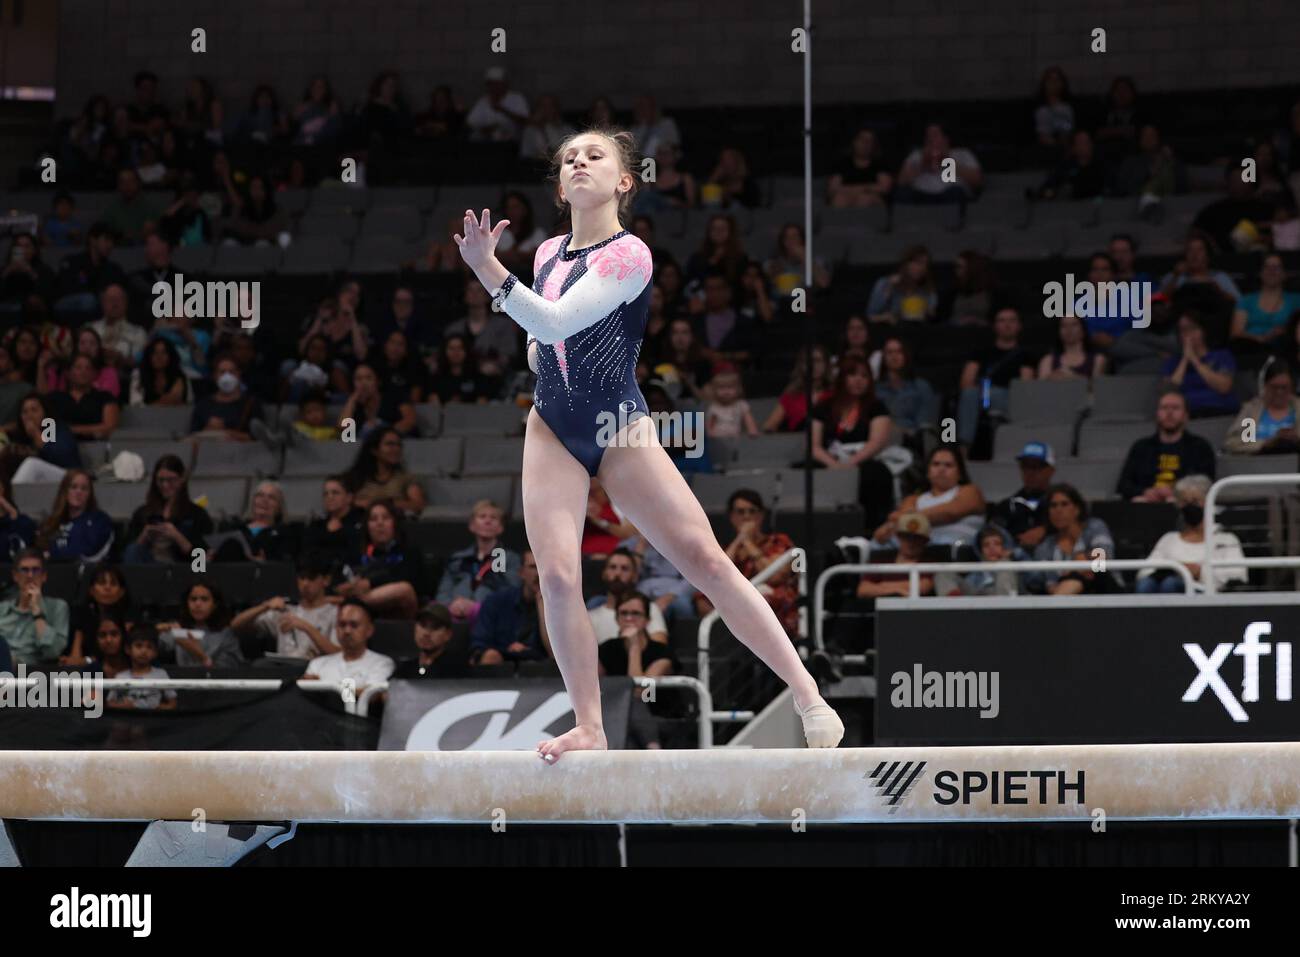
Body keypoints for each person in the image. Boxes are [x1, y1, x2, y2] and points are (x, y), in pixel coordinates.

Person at [455, 127, 843, 759]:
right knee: (555, 575)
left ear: (625, 180)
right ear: (560, 186)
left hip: (618, 425)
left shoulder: (631, 254)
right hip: (552, 422)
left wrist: (486, 271)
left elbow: (553, 320)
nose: (580, 162)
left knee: (706, 560)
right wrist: (521, 313)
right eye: (569, 159)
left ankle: (808, 696)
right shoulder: (548, 253)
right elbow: (541, 338)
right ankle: (590, 725)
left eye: (595, 155)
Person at [695, 490, 800, 637]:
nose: (747, 516)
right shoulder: (727, 549)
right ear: (732, 517)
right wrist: (739, 541)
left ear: (761, 515)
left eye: (752, 511)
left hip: (773, 608)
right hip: (736, 608)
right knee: (702, 598)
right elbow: (714, 576)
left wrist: (747, 542)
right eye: (740, 512)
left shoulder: (779, 541)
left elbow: (776, 577)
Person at [810, 353, 896, 529]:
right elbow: (815, 447)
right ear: (842, 378)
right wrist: (834, 465)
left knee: (875, 473)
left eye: (864, 376)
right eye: (853, 375)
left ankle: (871, 528)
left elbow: (876, 443)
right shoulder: (824, 406)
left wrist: (849, 464)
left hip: (863, 459)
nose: (859, 380)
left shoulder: (876, 406)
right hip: (830, 459)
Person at [1136, 474, 1246, 593]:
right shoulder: (1169, 539)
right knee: (1146, 585)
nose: (1190, 507)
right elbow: (1144, 572)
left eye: (1195, 501)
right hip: (1163, 587)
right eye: (1184, 502)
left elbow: (1238, 575)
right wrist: (1173, 568)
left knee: (1170, 584)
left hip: (1206, 596)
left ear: (1208, 503)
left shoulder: (1225, 540)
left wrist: (1198, 572)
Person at [231, 556, 341, 660]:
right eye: (302, 578)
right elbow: (236, 625)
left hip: (316, 672)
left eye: (311, 578)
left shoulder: (335, 613)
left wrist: (305, 627)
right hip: (284, 671)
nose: (305, 583)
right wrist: (265, 606)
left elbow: (338, 653)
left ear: (326, 580)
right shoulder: (285, 610)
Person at [876, 444, 986, 547]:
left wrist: (906, 519)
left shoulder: (971, 491)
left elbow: (950, 512)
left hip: (956, 552)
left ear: (960, 473)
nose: (941, 469)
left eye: (948, 465)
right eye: (936, 464)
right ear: (927, 472)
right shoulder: (913, 499)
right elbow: (895, 524)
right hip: (918, 550)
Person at [1118, 390, 1218, 502]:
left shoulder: (1200, 447)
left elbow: (1206, 483)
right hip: (1146, 503)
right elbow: (1124, 485)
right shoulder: (1141, 447)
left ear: (1186, 416)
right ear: (1157, 414)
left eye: (1175, 408)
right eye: (1164, 408)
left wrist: (1175, 491)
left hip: (1184, 503)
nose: (1169, 413)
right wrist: (1145, 492)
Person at [957, 306, 1035, 448]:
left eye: (1012, 321)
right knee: (969, 394)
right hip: (982, 397)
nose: (1007, 325)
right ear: (995, 326)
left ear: (1019, 326)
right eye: (1002, 321)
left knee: (995, 393)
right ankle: (964, 447)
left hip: (1009, 399)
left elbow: (1025, 387)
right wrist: (983, 392)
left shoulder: (1025, 356)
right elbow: (966, 381)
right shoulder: (980, 353)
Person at [434, 500, 522, 620]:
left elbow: (512, 593)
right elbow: (443, 593)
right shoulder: (458, 558)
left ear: (501, 528)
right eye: (482, 516)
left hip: (491, 617)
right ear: (472, 525)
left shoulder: (509, 558)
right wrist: (452, 605)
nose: (487, 521)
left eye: (493, 518)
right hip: (454, 616)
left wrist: (477, 607)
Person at [1026, 484, 1121, 595]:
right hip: (1070, 598)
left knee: (1090, 572)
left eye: (1064, 504)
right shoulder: (1045, 546)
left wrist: (1083, 559)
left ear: (1077, 509)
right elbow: (1050, 585)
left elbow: (1104, 557)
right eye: (1053, 506)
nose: (1058, 510)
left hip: (1106, 591)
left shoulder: (1094, 527)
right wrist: (1078, 567)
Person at [335, 500, 422, 619]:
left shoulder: (409, 551)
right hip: (359, 613)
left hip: (402, 613)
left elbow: (406, 580)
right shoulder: (357, 552)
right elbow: (340, 579)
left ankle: (355, 603)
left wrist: (369, 583)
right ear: (367, 526)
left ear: (394, 523)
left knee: (403, 589)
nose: (379, 523)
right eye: (373, 519)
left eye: (385, 518)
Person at [123, 454, 213, 562]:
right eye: (161, 480)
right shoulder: (142, 513)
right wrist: (144, 535)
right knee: (133, 550)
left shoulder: (196, 514)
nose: (165, 485)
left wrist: (177, 536)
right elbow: (125, 553)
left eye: (171, 480)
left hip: (182, 570)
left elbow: (203, 559)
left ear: (181, 479)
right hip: (148, 568)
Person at [470, 550, 551, 664]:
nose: (538, 573)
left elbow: (553, 653)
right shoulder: (497, 601)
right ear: (521, 572)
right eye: (533, 567)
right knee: (490, 656)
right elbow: (479, 644)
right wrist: (509, 651)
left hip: (540, 666)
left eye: (543, 567)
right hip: (501, 663)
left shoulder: (556, 606)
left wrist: (542, 604)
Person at [301, 599, 395, 691]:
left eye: (354, 625)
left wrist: (323, 687)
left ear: (369, 630)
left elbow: (371, 696)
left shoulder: (382, 663)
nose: (347, 631)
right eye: (342, 625)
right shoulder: (317, 664)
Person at [0, 549, 70, 667]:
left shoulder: (58, 607)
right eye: (25, 570)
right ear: (15, 576)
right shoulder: (2, 609)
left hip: (32, 676)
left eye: (36, 570)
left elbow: (53, 652)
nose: (30, 575)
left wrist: (37, 611)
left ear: (44, 576)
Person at [1162, 311, 1238, 417]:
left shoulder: (1222, 356)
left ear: (1203, 330)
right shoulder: (1173, 362)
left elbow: (1224, 387)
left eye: (1192, 328)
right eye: (1183, 330)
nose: (1188, 334)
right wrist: (1185, 359)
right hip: (1188, 414)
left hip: (1221, 409)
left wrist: (1194, 359)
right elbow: (1168, 394)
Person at [589, 548, 670, 644]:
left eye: (625, 568)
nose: (618, 573)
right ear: (604, 573)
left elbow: (660, 650)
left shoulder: (650, 609)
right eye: (612, 567)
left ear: (634, 576)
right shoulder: (590, 617)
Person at [155, 582, 244, 667]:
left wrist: (197, 652)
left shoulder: (226, 634)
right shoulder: (178, 629)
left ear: (215, 605)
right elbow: (152, 652)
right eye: (193, 599)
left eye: (204, 599)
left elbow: (229, 673)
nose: (197, 604)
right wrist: (156, 631)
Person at [988, 441, 1056, 550]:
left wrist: (1046, 530)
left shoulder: (1063, 502)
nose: (1030, 472)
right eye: (1025, 466)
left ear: (1051, 470)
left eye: (1036, 466)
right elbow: (992, 535)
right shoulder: (1007, 506)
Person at [343, 427, 427, 515]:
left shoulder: (406, 478)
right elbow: (343, 503)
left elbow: (418, 505)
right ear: (374, 450)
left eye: (399, 445)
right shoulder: (354, 477)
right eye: (390, 444)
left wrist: (375, 503)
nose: (396, 449)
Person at [36, 469, 114, 563]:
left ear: (89, 494)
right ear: (64, 491)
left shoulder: (100, 520)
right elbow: (40, 552)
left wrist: (53, 554)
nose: (78, 492)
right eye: (73, 487)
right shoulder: (51, 521)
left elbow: (86, 553)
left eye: (84, 488)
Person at [64, 565, 134, 666]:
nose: (107, 587)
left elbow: (125, 654)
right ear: (91, 590)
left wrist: (88, 660)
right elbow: (75, 660)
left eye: (113, 583)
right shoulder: (81, 615)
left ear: (121, 592)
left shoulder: (129, 618)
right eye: (102, 583)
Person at [1224, 360, 1300, 454]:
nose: (1279, 392)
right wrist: (1265, 444)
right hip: (1257, 464)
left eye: (1284, 387)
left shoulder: (1298, 408)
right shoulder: (1252, 411)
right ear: (1265, 386)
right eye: (1274, 387)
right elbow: (1236, 443)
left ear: (1292, 387)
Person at [5, 393, 82, 485]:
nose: (29, 415)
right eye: (25, 412)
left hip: (70, 479)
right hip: (40, 484)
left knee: (32, 465)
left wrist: (37, 435)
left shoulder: (57, 429)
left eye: (34, 410)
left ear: (45, 413)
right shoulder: (21, 436)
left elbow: (63, 458)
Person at [895, 123, 982, 203]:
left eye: (935, 135)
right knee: (902, 194)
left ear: (946, 139)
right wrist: (923, 165)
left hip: (950, 194)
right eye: (928, 136)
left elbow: (977, 181)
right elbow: (901, 181)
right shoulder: (916, 155)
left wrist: (947, 161)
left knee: (956, 192)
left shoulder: (962, 153)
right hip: (920, 195)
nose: (930, 139)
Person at [875, 334, 939, 443]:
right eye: (889, 352)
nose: (894, 356)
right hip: (881, 440)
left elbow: (925, 424)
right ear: (883, 357)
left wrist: (903, 431)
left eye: (899, 351)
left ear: (906, 355)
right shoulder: (875, 389)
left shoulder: (921, 387)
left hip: (912, 440)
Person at [1230, 254, 1300, 350]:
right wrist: (1261, 338)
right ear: (1260, 273)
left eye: (1277, 267)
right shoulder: (1246, 300)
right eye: (1267, 267)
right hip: (1250, 349)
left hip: (1285, 349)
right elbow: (1236, 333)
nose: (1272, 271)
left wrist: (1284, 331)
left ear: (1284, 274)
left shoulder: (1296, 300)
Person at [599, 590, 676, 678]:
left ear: (647, 620)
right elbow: (592, 685)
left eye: (636, 613)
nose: (629, 618)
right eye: (624, 613)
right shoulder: (606, 649)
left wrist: (634, 646)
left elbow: (641, 690)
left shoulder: (663, 652)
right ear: (616, 619)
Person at [856, 512, 935, 597]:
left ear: (925, 541)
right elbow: (863, 590)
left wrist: (880, 586)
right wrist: (897, 591)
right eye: (906, 537)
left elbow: (923, 587)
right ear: (898, 537)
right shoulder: (882, 559)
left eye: (917, 538)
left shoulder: (929, 562)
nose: (911, 542)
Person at [45, 353, 120, 441]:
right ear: (68, 373)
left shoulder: (105, 397)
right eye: (78, 367)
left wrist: (71, 430)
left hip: (97, 447)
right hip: (59, 447)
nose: (83, 371)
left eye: (88, 368)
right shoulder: (54, 398)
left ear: (94, 374)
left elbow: (109, 427)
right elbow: (47, 429)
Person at [189, 354, 264, 440]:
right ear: (214, 376)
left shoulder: (251, 404)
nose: (227, 376)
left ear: (239, 374)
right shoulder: (203, 405)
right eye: (222, 372)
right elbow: (193, 436)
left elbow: (259, 436)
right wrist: (209, 429)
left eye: (231, 372)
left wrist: (227, 433)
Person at [302, 475, 366, 572]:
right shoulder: (317, 525)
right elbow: (308, 555)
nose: (330, 497)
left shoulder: (361, 521)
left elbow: (355, 552)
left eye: (335, 493)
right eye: (326, 494)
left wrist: (334, 534)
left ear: (349, 497)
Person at [762, 344, 831, 433]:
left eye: (817, 361)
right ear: (801, 365)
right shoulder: (791, 395)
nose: (813, 365)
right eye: (808, 361)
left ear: (826, 364)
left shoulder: (835, 392)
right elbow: (769, 426)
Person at [935, 525, 1019, 597]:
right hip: (980, 605)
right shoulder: (976, 574)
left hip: (1006, 607)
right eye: (986, 545)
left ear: (1004, 547)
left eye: (997, 544)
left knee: (1005, 563)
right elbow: (972, 592)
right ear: (980, 551)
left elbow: (1031, 578)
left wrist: (1013, 554)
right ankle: (953, 608)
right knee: (944, 572)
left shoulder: (1018, 564)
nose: (992, 548)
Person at [338, 362, 417, 438]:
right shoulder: (353, 404)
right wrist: (352, 400)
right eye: (358, 379)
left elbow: (409, 421)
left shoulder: (395, 396)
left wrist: (381, 433)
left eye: (368, 378)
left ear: (378, 381)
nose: (363, 383)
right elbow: (343, 429)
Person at [107, 628, 177, 711]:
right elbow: (109, 703)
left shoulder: (161, 674)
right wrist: (124, 706)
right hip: (127, 720)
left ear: (155, 653)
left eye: (149, 647)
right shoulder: (120, 677)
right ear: (128, 649)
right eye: (138, 645)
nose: (144, 651)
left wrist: (154, 708)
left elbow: (172, 704)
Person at [392, 604, 469, 678]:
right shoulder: (405, 669)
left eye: (435, 627)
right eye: (423, 625)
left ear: (448, 634)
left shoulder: (456, 669)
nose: (426, 633)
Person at [868, 245, 937, 323]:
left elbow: (933, 316)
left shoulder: (928, 289)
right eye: (917, 263)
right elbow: (870, 316)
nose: (921, 268)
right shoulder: (885, 283)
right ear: (906, 264)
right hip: (890, 331)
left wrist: (928, 311)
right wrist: (889, 289)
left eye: (925, 264)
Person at [827, 128, 892, 207]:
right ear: (854, 142)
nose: (866, 144)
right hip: (847, 197)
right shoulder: (842, 164)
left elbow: (884, 188)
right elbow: (833, 189)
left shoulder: (880, 164)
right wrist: (862, 189)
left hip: (873, 200)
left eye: (870, 141)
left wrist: (858, 190)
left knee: (864, 199)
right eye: (862, 140)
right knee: (839, 199)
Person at [1037, 313, 1106, 381]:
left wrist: (1071, 376)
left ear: (1083, 329)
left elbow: (1096, 388)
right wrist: (1051, 377)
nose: (1069, 329)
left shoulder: (1098, 359)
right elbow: (1039, 389)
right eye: (1064, 326)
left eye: (1074, 325)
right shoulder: (1048, 361)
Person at [129, 336, 190, 405]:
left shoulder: (180, 376)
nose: (159, 357)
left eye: (164, 352)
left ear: (170, 356)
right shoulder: (138, 374)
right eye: (155, 353)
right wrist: (164, 402)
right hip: (145, 415)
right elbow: (136, 405)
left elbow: (186, 404)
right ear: (149, 356)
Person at [705, 368, 758, 438]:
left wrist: (752, 430)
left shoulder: (741, 405)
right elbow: (709, 424)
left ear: (738, 389)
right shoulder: (714, 407)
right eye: (721, 388)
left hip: (735, 437)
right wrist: (710, 433)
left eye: (730, 387)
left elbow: (748, 420)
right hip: (718, 438)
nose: (726, 392)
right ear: (715, 390)